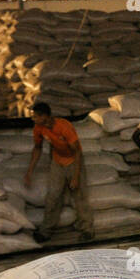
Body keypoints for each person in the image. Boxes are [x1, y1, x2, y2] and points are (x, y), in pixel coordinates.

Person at [25, 101, 92, 242]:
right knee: (53, 196)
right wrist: (29, 171)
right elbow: (37, 148)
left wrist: (75, 176)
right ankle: (46, 231)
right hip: (57, 161)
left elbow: (78, 152)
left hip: (73, 161)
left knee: (79, 197)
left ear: (44, 116)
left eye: (36, 116)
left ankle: (87, 229)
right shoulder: (38, 128)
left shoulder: (64, 126)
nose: (33, 119)